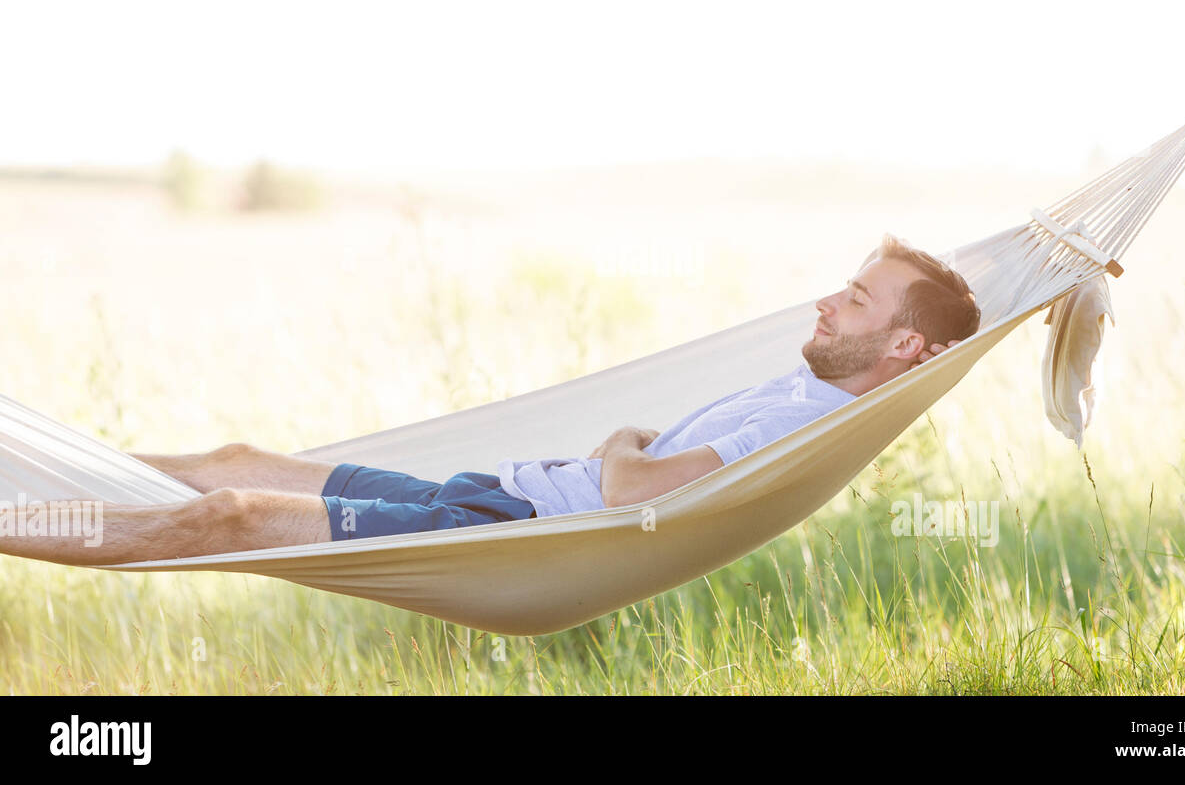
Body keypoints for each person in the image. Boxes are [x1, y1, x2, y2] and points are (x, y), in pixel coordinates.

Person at [0, 234, 978, 566]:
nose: (825, 300)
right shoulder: (809, 379)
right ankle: (40, 464)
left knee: (230, 513)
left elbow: (632, 483)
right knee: (233, 459)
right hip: (482, 489)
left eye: (853, 297)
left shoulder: (799, 418)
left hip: (507, 522)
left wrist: (622, 435)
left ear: (904, 343)